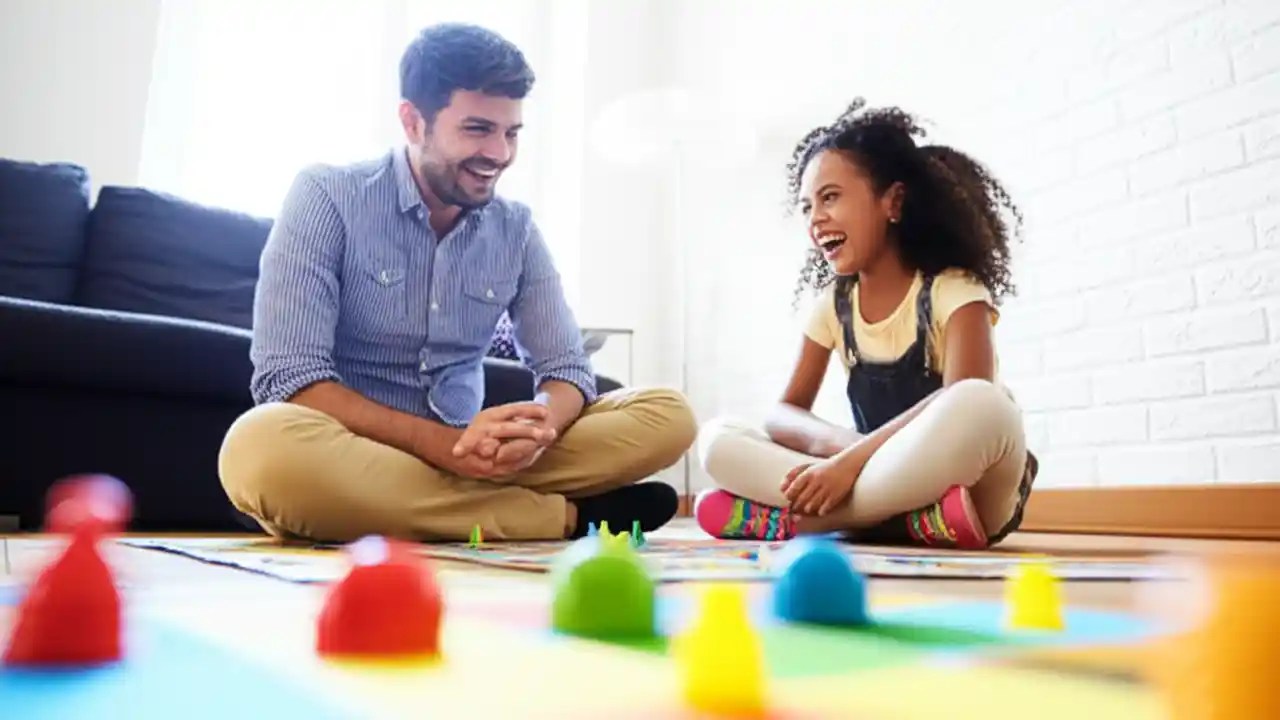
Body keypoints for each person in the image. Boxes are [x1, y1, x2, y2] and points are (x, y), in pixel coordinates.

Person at [218, 23, 695, 544]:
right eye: (476, 129)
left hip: (477, 458)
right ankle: (567, 519)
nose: (499, 153)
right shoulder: (326, 196)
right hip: (355, 454)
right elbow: (289, 378)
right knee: (257, 449)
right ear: (413, 121)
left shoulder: (515, 229)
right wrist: (442, 445)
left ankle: (443, 507)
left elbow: (564, 368)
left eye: (511, 133)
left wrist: (536, 430)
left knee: (668, 414)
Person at [694, 98, 1037, 549]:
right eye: (806, 206)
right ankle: (905, 519)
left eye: (830, 197)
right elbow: (783, 413)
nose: (815, 218)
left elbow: (965, 397)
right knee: (718, 440)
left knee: (982, 403)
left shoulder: (954, 291)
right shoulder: (834, 306)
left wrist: (852, 464)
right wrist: (844, 451)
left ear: (892, 202)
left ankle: (814, 522)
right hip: (902, 485)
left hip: (973, 491)